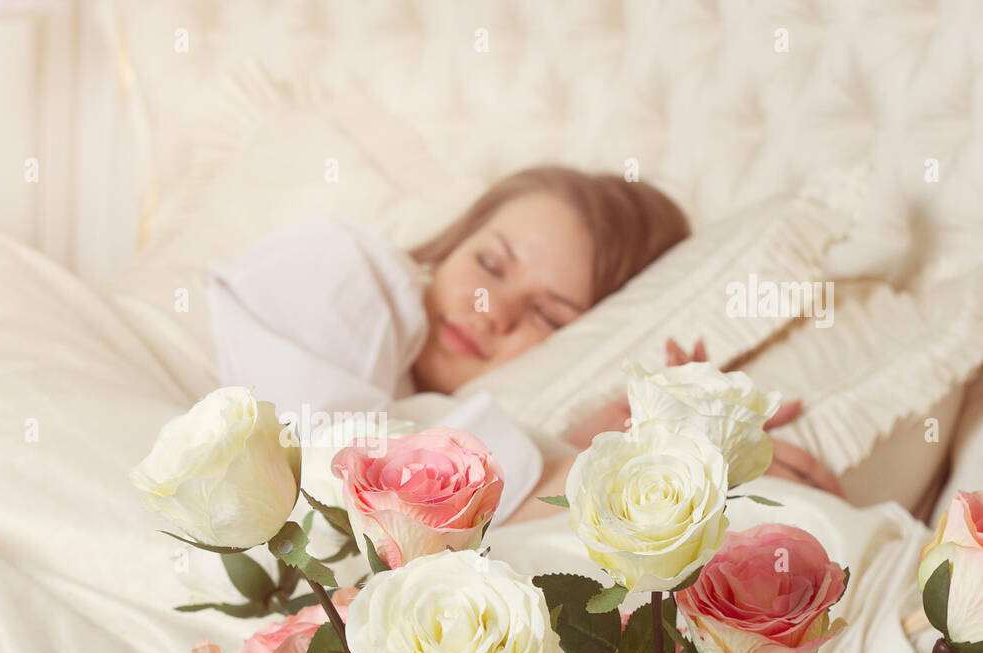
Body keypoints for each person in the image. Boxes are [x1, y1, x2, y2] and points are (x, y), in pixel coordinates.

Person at [207, 165, 842, 526]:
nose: (493, 310)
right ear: (455, 240)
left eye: (546, 313)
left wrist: (606, 449)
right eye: (489, 262)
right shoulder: (348, 271)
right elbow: (343, 511)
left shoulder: (441, 418)